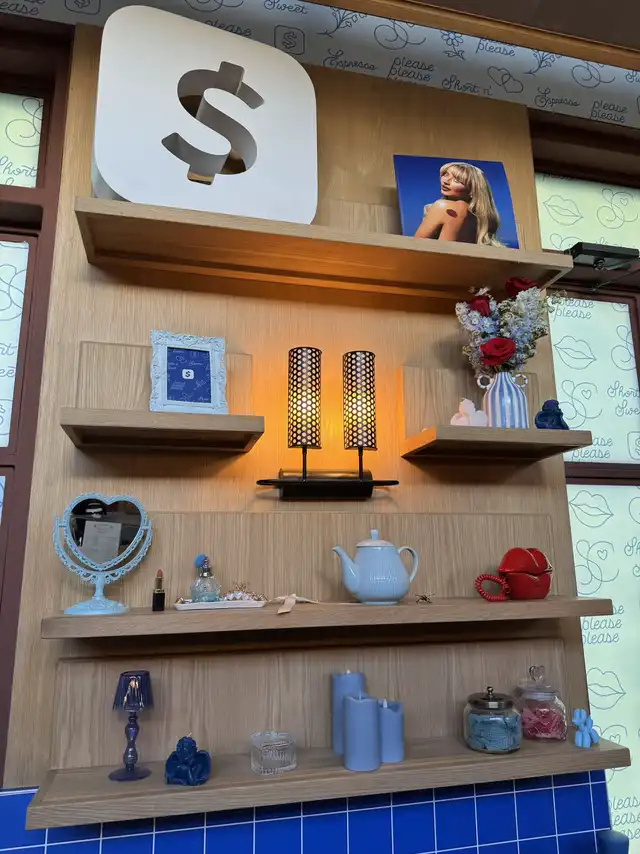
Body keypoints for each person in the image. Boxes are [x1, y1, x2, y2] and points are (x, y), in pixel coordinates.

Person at [414, 161, 502, 246]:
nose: (446, 181)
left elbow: (414, 247)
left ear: (472, 190)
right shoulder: (477, 218)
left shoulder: (445, 206)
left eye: (457, 180)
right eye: (446, 174)